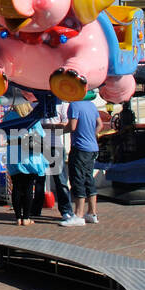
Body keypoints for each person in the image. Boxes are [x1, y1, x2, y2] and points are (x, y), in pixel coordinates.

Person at [60, 93, 102, 226]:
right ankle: (92, 213)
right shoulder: (91, 105)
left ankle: (78, 215)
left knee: (77, 179)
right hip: (92, 147)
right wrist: (92, 134)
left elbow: (72, 126)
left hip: (80, 148)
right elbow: (100, 124)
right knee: (89, 178)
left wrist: (59, 129)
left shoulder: (74, 105)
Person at [6, 96, 48, 226]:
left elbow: (5, 133)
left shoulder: (8, 116)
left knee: (17, 187)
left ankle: (18, 217)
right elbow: (41, 134)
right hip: (29, 155)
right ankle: (26, 218)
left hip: (13, 152)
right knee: (29, 187)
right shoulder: (32, 117)